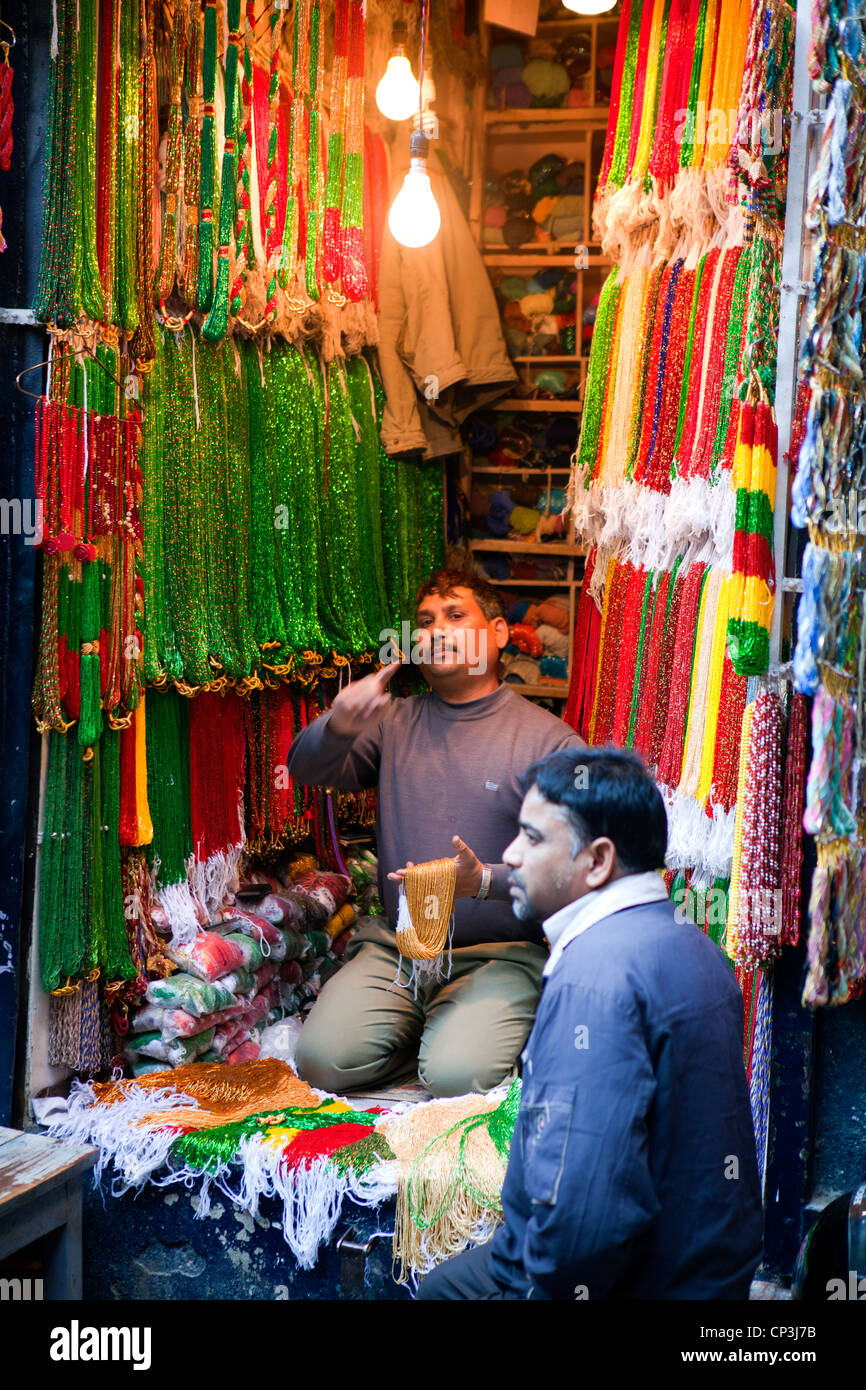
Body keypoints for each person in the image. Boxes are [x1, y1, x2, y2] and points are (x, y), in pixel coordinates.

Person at [419, 747, 764, 1299]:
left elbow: (583, 1220)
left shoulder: (595, 979)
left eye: (532, 838)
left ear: (598, 861)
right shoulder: (692, 943)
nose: (509, 854)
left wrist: (528, 1283)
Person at [285, 568, 583, 1098]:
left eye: (454, 615)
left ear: (496, 633)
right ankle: (419, 1030)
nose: (436, 630)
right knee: (321, 1062)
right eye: (424, 622)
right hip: (399, 948)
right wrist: (339, 723)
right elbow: (307, 769)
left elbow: (572, 872)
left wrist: (485, 881)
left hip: (498, 953)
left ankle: (448, 1039)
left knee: (456, 1079)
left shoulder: (547, 739)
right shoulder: (393, 722)